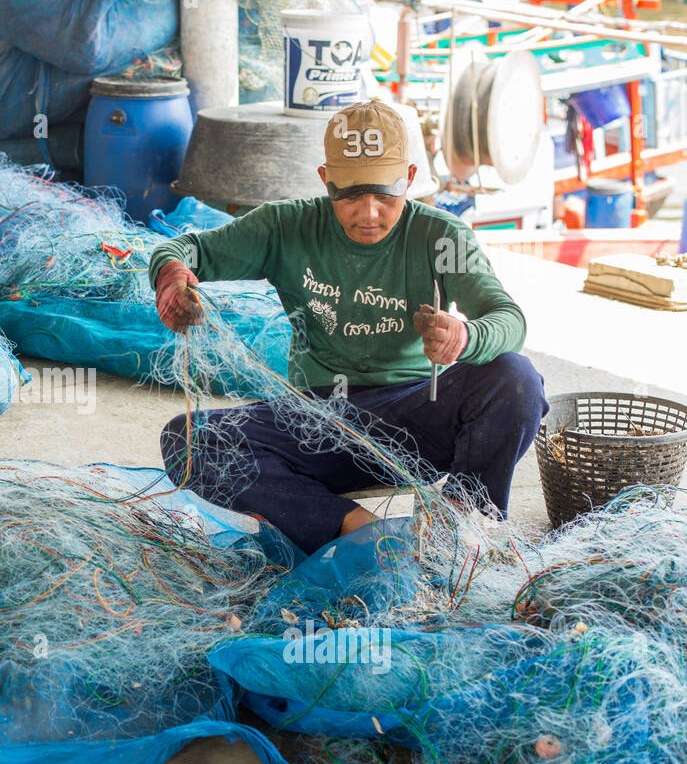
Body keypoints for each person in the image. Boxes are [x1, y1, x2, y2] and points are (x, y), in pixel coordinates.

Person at [151, 99, 549, 556]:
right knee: (187, 439)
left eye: (385, 195)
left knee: (517, 380)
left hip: (417, 416)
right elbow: (185, 249)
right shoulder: (285, 226)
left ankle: (455, 520)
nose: (370, 214)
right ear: (325, 180)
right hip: (316, 421)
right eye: (351, 196)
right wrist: (172, 277)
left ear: (411, 180)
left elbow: (509, 320)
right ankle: (351, 527)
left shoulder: (442, 237)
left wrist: (466, 337)